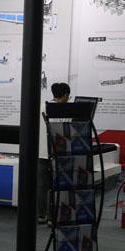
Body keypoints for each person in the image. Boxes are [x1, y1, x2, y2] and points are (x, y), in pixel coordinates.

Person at [38, 82, 71, 223]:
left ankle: (41, 216)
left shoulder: (42, 107)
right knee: (55, 187)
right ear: (65, 95)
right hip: (56, 155)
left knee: (41, 186)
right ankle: (52, 217)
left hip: (41, 153)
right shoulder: (63, 111)